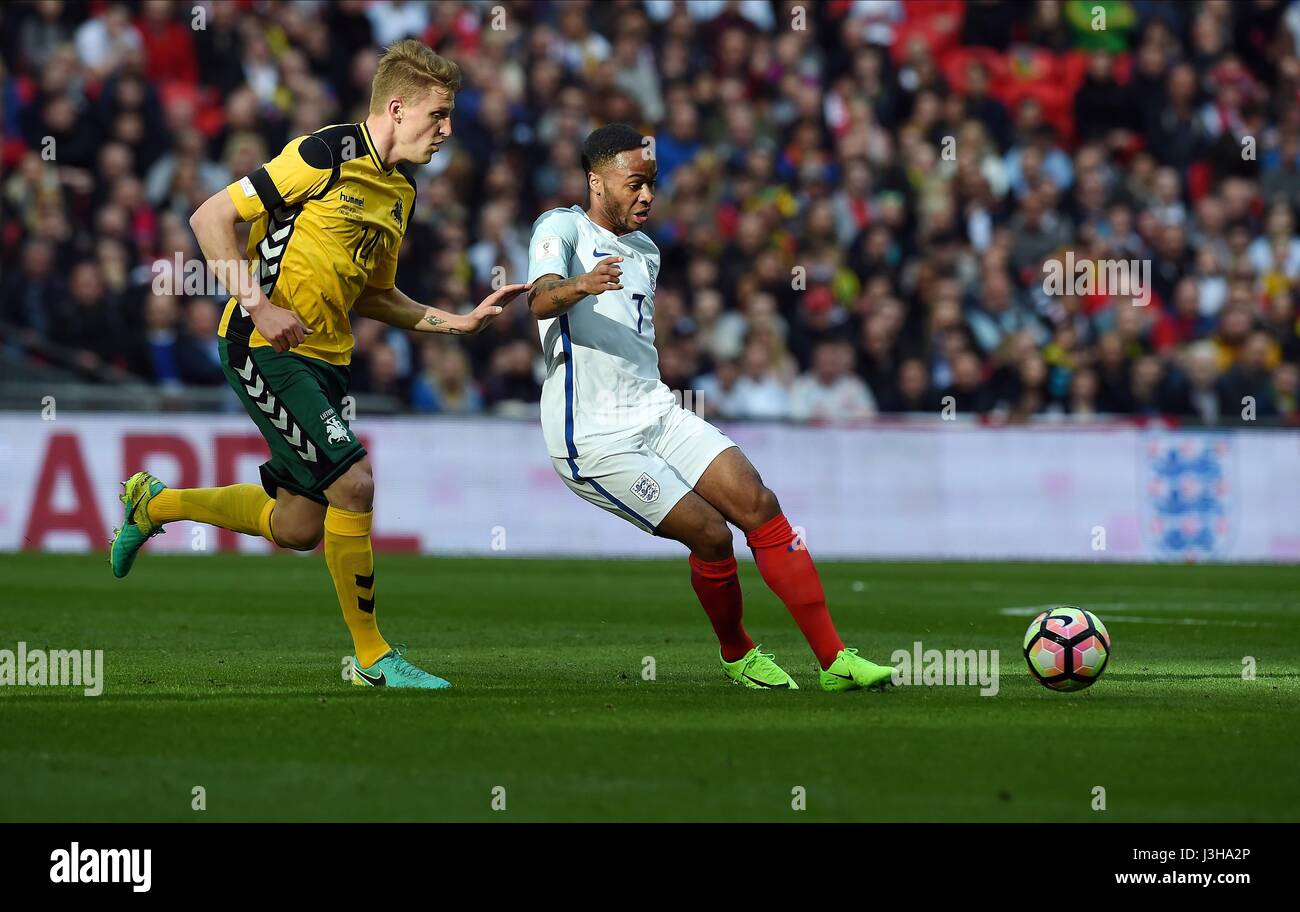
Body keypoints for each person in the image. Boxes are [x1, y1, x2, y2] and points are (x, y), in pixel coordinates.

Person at [108, 40, 529, 689]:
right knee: (354, 483)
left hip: (328, 360)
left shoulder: (399, 193)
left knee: (301, 525)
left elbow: (375, 294)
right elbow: (209, 216)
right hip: (263, 346)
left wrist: (458, 321)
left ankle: (154, 505)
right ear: (396, 106)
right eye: (437, 115)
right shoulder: (323, 153)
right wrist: (257, 303)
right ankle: (372, 659)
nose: (448, 131)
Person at [525, 124, 895, 692]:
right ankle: (737, 653)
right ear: (597, 182)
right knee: (713, 535)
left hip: (657, 411)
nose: (647, 195)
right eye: (634, 184)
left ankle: (835, 660)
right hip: (593, 436)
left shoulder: (646, 251)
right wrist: (582, 284)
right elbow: (540, 299)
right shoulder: (561, 227)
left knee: (759, 502)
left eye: (652, 183)